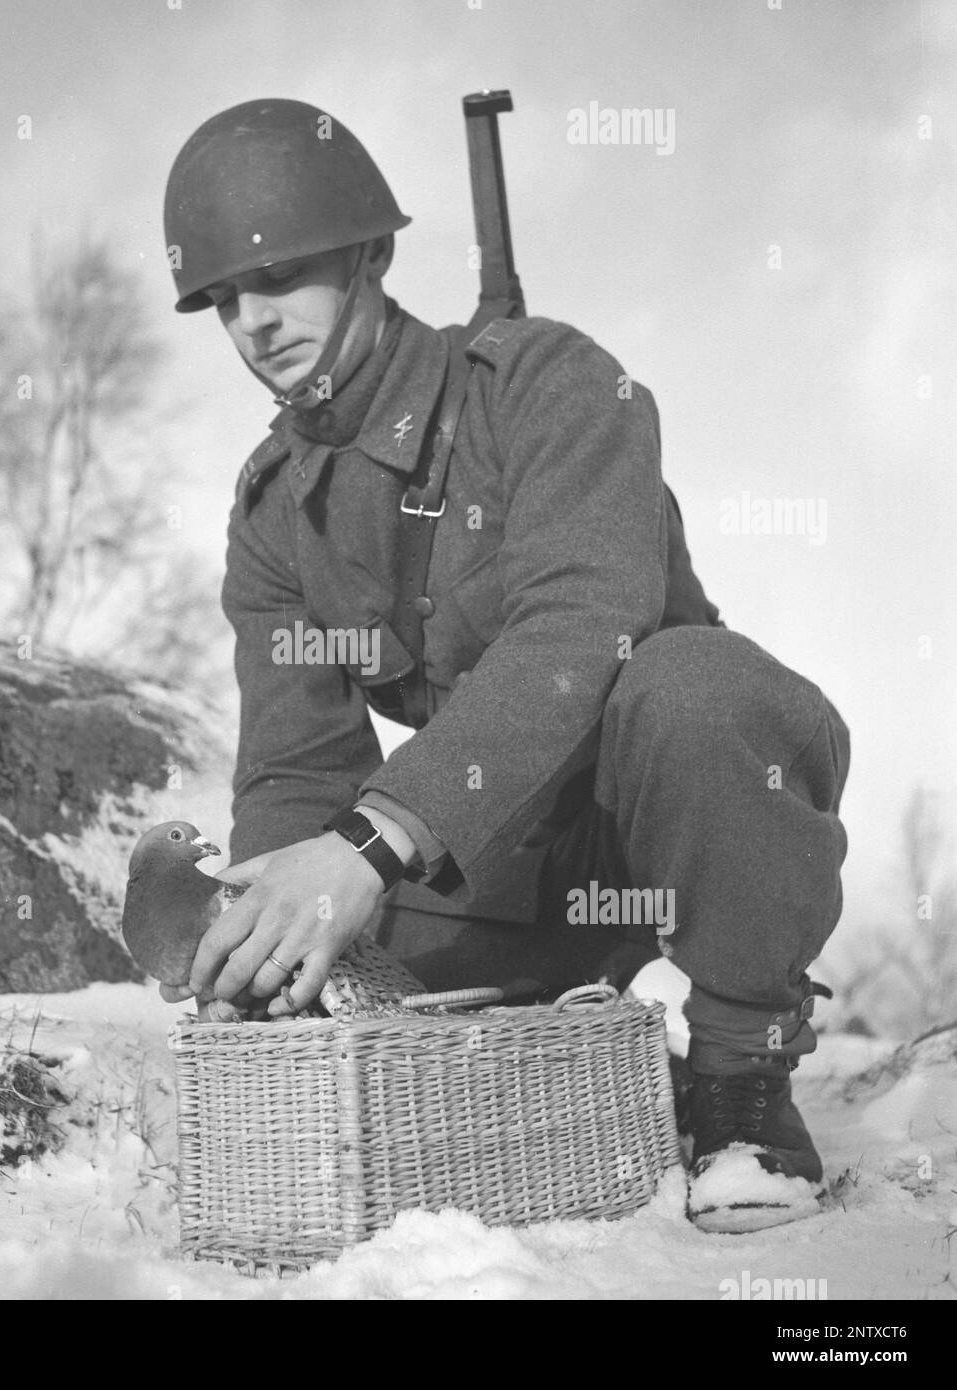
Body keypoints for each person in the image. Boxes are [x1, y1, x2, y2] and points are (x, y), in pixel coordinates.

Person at [161, 97, 851, 1230]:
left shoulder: (553, 384)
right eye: (222, 299)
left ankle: (740, 1075)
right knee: (326, 957)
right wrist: (275, 936)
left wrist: (369, 846)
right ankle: (555, 1045)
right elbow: (296, 766)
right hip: (493, 854)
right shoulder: (276, 511)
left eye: (281, 277)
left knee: (697, 686)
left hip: (674, 815)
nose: (252, 321)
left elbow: (587, 626)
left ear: (373, 253)